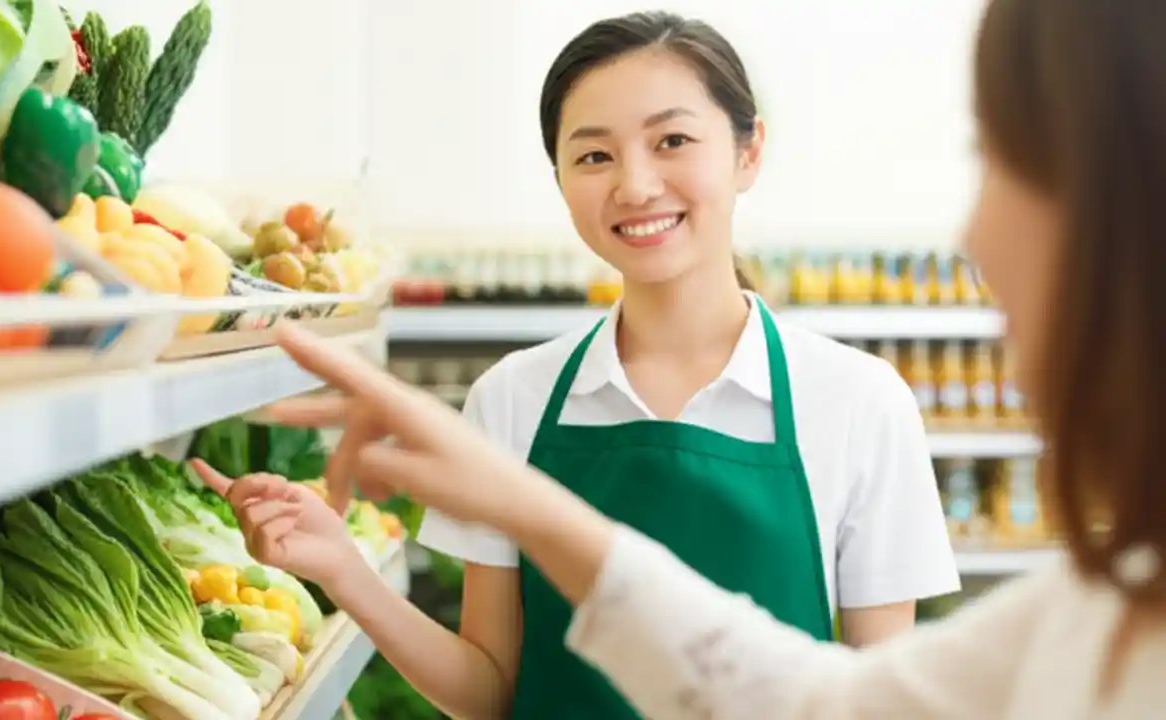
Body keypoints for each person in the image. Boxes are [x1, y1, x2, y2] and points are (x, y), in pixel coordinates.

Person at [196, 0, 1166, 716]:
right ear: (560, 182)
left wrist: (523, 503)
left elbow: (861, 701)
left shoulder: (858, 402)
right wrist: (342, 571)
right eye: (592, 155)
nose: (635, 183)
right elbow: (490, 691)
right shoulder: (512, 399)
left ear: (747, 152)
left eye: (672, 140)